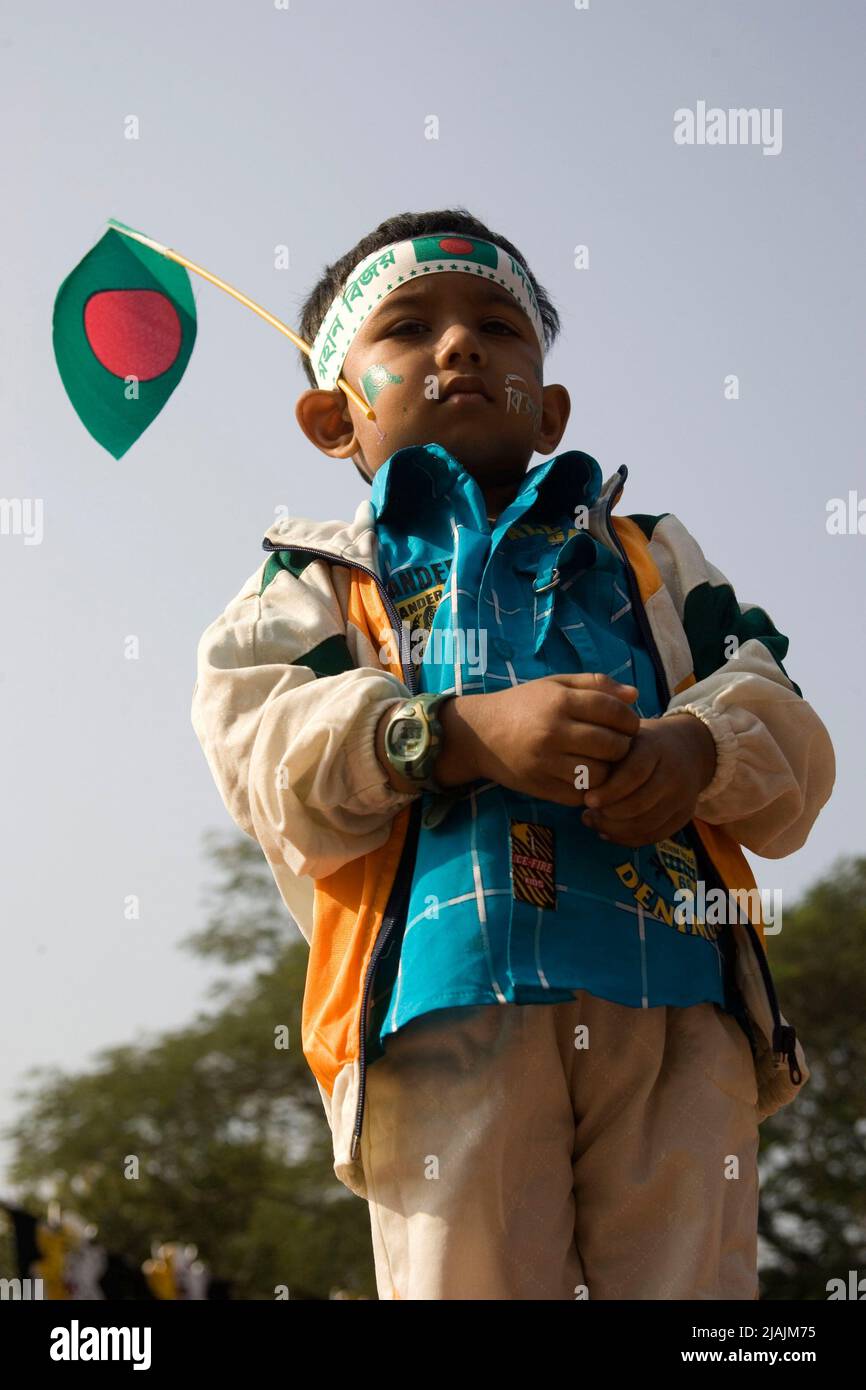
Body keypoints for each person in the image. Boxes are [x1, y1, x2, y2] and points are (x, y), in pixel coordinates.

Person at [191, 208, 836, 1300]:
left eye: (497, 325)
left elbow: (781, 720)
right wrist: (446, 734)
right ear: (329, 418)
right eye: (406, 329)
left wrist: (693, 746)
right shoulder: (309, 579)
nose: (459, 346)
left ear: (549, 409)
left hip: (676, 1002)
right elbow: (260, 758)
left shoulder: (648, 551)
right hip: (439, 1010)